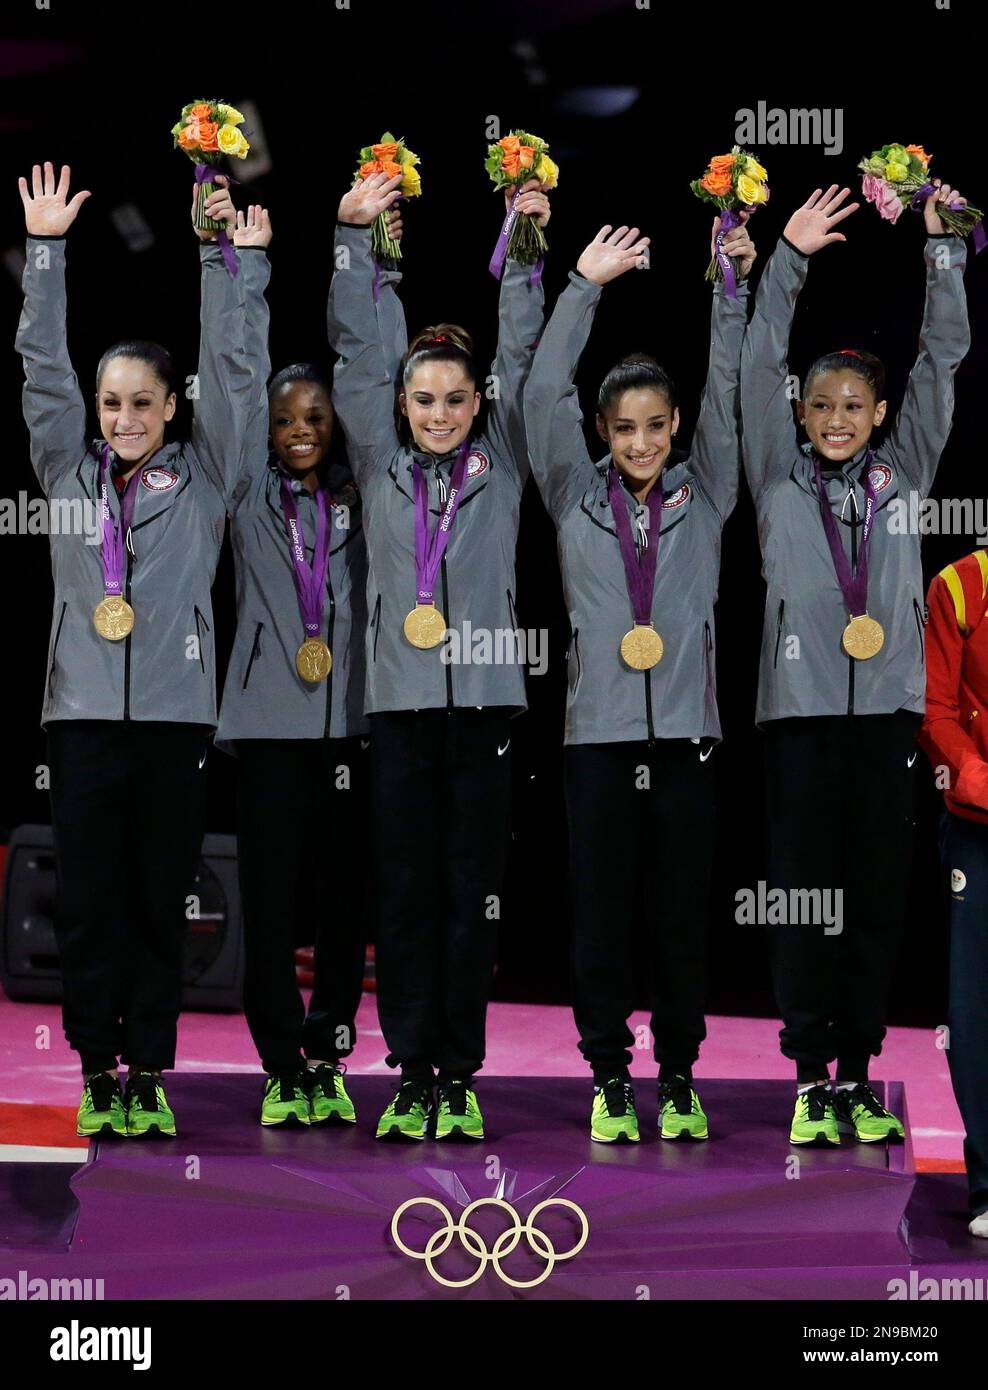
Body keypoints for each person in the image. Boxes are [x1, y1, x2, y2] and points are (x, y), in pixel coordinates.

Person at [15, 162, 250, 1138]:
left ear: (170, 408)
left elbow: (235, 372)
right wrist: (45, 250)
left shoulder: (206, 478)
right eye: (111, 404)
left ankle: (147, 1068)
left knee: (160, 898)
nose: (122, 420)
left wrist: (218, 253)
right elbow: (42, 364)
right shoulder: (66, 469)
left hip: (172, 718)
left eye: (141, 405)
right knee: (90, 906)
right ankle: (93, 1065)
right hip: (79, 718)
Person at [741, 182, 971, 1145]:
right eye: (821, 404)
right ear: (799, 412)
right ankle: (806, 1076)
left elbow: (943, 357)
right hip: (797, 718)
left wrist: (943, 251)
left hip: (885, 716)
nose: (837, 418)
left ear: (880, 413)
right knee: (804, 899)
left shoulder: (907, 471)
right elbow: (755, 364)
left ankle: (857, 1072)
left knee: (873, 902)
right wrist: (787, 260)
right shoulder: (770, 470)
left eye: (854, 405)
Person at [327, 170, 549, 1140]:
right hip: (402, 706)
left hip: (486, 710)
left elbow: (528, 353)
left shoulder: (501, 456)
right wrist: (353, 238)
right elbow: (356, 352)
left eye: (455, 398)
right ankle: (410, 1069)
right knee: (407, 896)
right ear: (403, 403)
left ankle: (457, 1073)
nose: (439, 413)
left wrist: (528, 246)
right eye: (423, 399)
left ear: (475, 400)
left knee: (473, 897)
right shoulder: (377, 458)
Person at [524, 217, 754, 1142]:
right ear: (601, 431)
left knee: (679, 923)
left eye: (657, 426)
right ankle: (610, 1076)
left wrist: (730, 290)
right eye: (624, 428)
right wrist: (583, 284)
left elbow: (732, 390)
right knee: (603, 920)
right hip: (598, 742)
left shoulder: (713, 491)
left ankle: (682, 1073)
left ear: (676, 428)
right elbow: (540, 391)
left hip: (690, 738)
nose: (642, 441)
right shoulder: (572, 495)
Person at [215, 203, 400, 1127]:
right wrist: (241, 268)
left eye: (316, 415)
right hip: (267, 731)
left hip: (355, 727)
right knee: (271, 904)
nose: (299, 428)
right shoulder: (246, 493)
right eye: (286, 418)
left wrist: (360, 250)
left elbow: (373, 370)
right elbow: (235, 374)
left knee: (342, 908)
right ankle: (281, 1061)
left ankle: (328, 1054)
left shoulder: (368, 493)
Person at [919, 548, 988, 1237]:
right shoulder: (960, 586)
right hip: (979, 831)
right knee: (977, 1016)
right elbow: (935, 710)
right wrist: (978, 783)